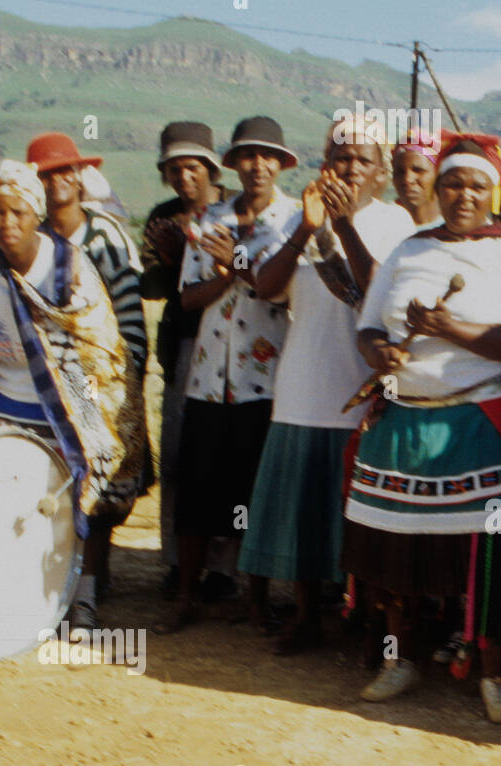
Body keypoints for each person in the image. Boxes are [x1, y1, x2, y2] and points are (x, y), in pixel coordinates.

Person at [341, 133, 501, 723]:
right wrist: (379, 353)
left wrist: (450, 329)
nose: (463, 195)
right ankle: (399, 658)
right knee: (391, 544)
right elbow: (368, 325)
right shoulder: (409, 249)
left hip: (483, 418)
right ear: (437, 186)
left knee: (489, 555)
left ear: (494, 194)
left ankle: (494, 672)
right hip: (403, 417)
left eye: (477, 186)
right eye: (453, 182)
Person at [240, 115, 415, 654]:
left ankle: (364, 623)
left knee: (360, 516)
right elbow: (265, 288)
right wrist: (304, 228)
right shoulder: (301, 216)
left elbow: (381, 295)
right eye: (342, 157)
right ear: (325, 164)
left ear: (381, 172)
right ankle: (306, 615)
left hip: (360, 392)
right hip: (301, 388)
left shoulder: (397, 224)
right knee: (302, 510)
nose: (352, 167)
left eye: (364, 159)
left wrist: (342, 228)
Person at [0, 160, 146, 634]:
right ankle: (18, 597)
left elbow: (96, 342)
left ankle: (81, 601)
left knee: (85, 495)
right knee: (9, 504)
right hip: (9, 399)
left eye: (18, 211)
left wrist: (94, 417)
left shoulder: (69, 264)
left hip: (77, 389)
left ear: (35, 213)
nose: (7, 222)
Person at [160, 117, 301, 632]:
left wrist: (236, 262)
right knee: (197, 493)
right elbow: (187, 298)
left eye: (268, 156)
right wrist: (223, 275)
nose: (257, 165)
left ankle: (254, 598)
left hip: (265, 380)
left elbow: (273, 290)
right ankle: (186, 595)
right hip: (206, 379)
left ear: (282, 164)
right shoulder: (208, 219)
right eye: (247, 156)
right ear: (234, 164)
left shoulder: (295, 222)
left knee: (252, 495)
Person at [29, 130, 149, 601]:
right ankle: (57, 589)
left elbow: (128, 316)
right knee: (53, 484)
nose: (56, 180)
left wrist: (121, 384)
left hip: (100, 379)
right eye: (46, 173)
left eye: (64, 169)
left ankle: (87, 594)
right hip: (47, 380)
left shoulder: (105, 237)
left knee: (97, 488)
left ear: (80, 176)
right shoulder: (32, 239)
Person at [140, 122, 227, 596]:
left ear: (211, 167)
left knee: (226, 458)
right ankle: (177, 562)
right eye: (174, 169)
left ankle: (223, 568)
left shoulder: (234, 210)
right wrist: (174, 259)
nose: (183, 177)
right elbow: (153, 289)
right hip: (184, 345)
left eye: (192, 166)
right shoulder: (162, 216)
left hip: (236, 349)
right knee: (177, 456)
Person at [392, 133, 442, 230]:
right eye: (400, 172)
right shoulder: (381, 222)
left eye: (418, 170)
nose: (407, 180)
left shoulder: (456, 225)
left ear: (438, 175)